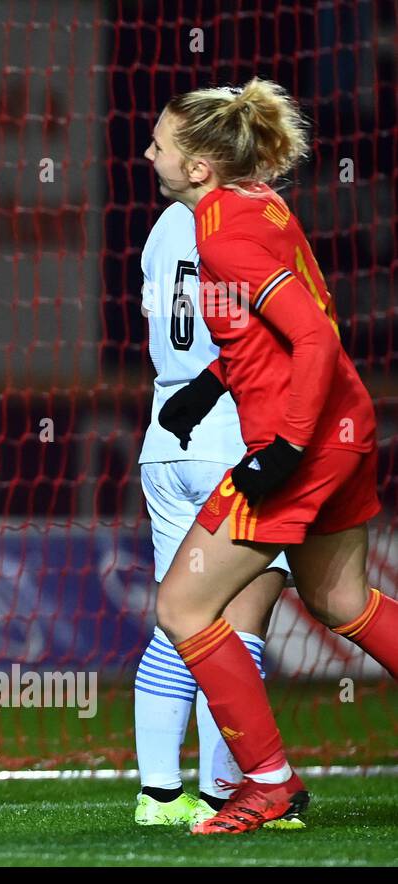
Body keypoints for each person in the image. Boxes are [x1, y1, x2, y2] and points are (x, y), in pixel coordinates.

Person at [146, 77, 398, 834]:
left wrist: (285, 447)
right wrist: (211, 386)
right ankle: (263, 780)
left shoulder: (221, 232)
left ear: (198, 169)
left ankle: (267, 784)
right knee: (344, 601)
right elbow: (279, 329)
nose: (147, 152)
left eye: (160, 143)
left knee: (182, 606)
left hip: (309, 441)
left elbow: (317, 337)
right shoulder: (258, 204)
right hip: (346, 428)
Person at [133, 198, 294, 827]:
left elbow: (160, 313)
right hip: (234, 429)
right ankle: (230, 790)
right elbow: (260, 331)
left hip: (165, 437)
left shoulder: (163, 227)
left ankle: (161, 794)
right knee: (240, 623)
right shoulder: (242, 219)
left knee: (182, 617)